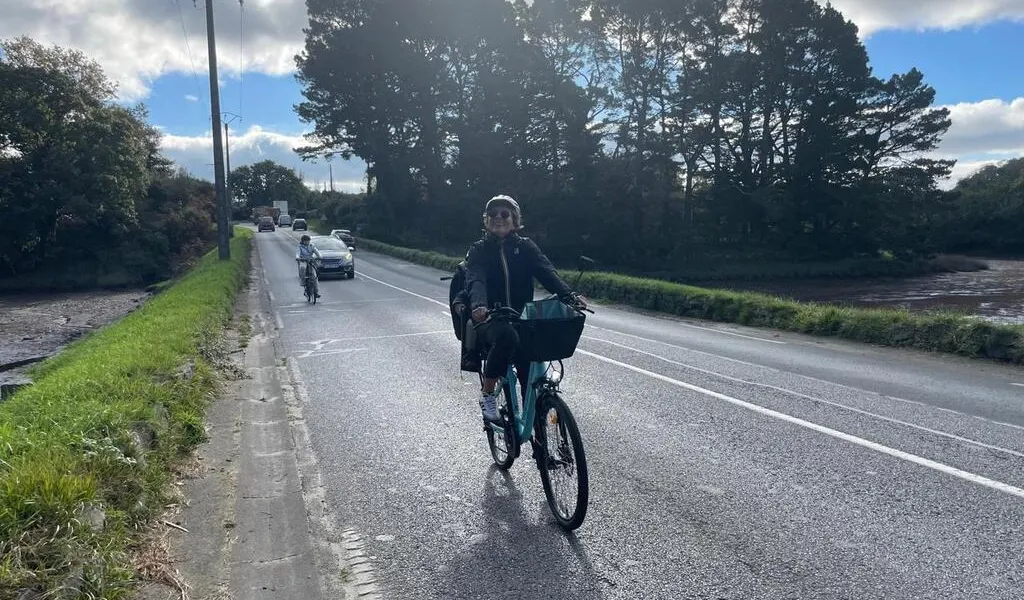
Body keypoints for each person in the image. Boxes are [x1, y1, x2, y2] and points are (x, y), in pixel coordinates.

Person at [459, 195, 586, 422]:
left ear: (514, 220)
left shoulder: (525, 247)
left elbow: (547, 272)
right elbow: (475, 279)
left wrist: (570, 296)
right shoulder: (479, 250)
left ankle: (541, 449)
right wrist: (479, 305)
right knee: (506, 336)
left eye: (505, 214)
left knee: (532, 384)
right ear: (486, 220)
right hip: (490, 318)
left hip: (523, 317)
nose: (499, 217)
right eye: (493, 214)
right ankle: (487, 394)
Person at [296, 234, 322, 299]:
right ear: (303, 241)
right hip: (303, 260)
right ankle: (303, 280)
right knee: (302, 268)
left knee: (314, 277)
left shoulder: (311, 246)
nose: (307, 242)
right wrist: (298, 257)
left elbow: (317, 251)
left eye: (308, 241)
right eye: (306, 241)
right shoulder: (299, 246)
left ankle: (316, 292)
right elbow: (297, 253)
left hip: (310, 260)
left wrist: (320, 256)